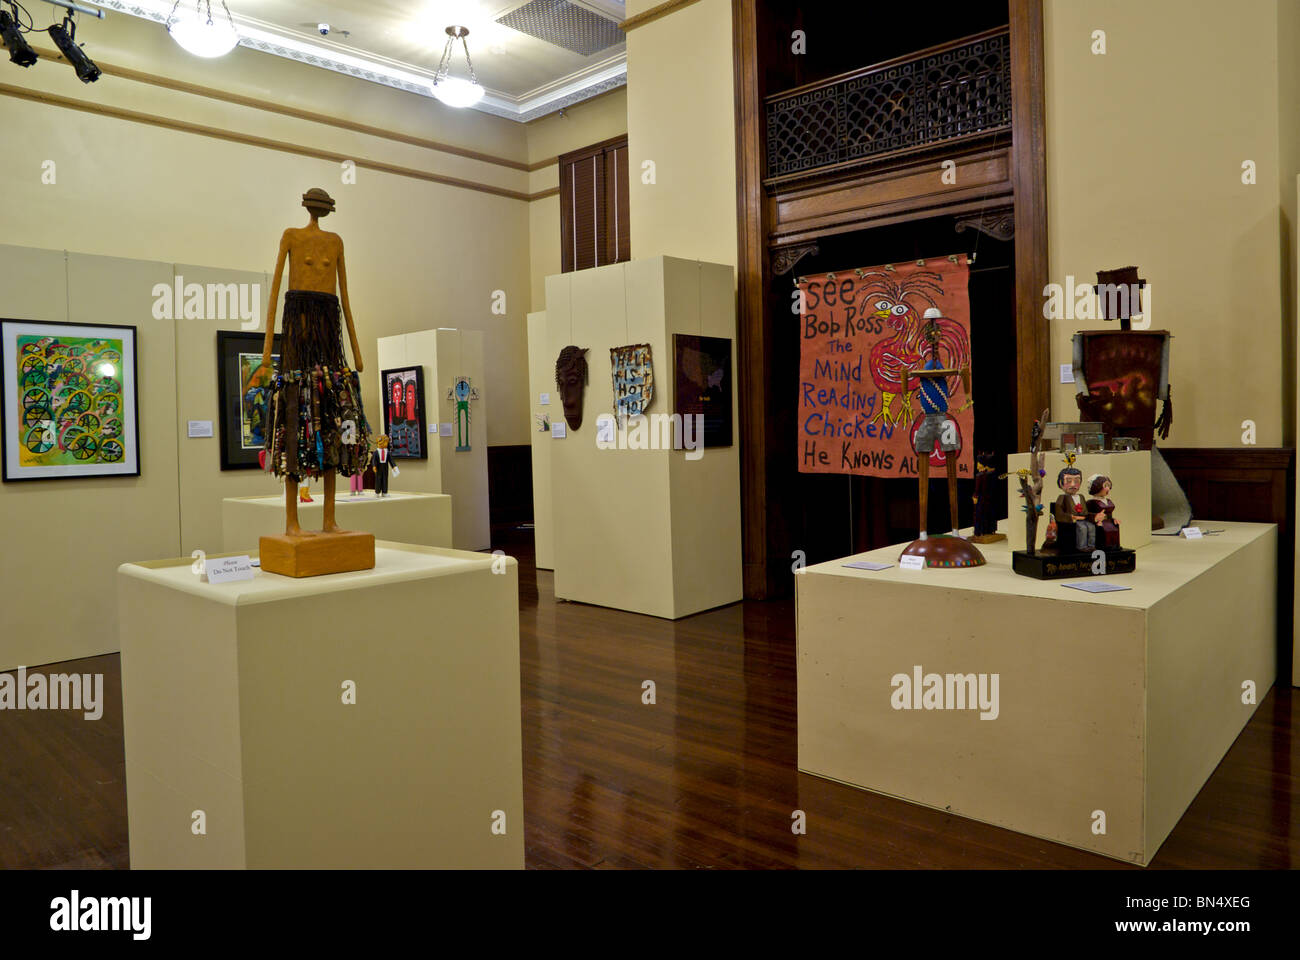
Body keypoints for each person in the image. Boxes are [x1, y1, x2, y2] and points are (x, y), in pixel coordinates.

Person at [258, 188, 371, 536]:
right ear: (311, 207)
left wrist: (354, 347)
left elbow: (345, 296)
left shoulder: (335, 242)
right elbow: (275, 291)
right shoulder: (291, 236)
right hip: (298, 323)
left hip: (327, 324)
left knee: (332, 423)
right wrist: (266, 354)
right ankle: (292, 521)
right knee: (294, 421)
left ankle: (328, 519)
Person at [1051, 464, 1095, 552]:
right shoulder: (1062, 498)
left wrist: (1095, 516)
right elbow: (1059, 514)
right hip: (1072, 522)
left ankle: (1091, 545)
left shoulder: (1081, 497)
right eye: (1068, 481)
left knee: (1091, 527)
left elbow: (1085, 512)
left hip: (1082, 519)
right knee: (1082, 528)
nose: (1073, 484)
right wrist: (1071, 517)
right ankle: (1081, 546)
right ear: (1061, 483)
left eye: (1077, 481)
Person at [1087, 474, 1120, 548]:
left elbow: (1109, 513)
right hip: (1099, 523)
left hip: (1109, 521)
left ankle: (1114, 546)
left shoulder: (1108, 501)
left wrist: (1113, 519)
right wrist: (1095, 517)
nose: (1108, 489)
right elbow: (1087, 515)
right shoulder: (1091, 502)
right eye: (1105, 486)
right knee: (1104, 530)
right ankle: (1104, 547)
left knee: (1115, 527)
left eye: (1109, 486)